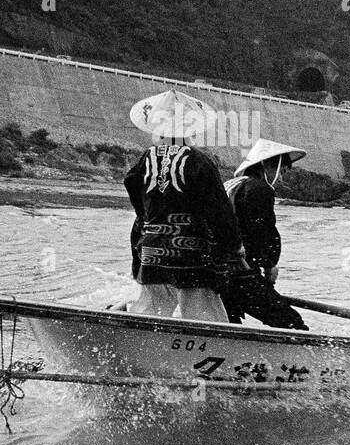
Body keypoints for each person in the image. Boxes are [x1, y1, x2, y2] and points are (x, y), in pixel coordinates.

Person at [122, 90, 246, 321]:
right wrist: (234, 246)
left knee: (151, 310)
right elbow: (219, 211)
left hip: (152, 251)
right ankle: (215, 350)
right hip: (190, 254)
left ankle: (137, 344)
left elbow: (138, 203)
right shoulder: (199, 161)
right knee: (203, 314)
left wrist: (148, 228)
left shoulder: (145, 159)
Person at [220, 138, 308, 330]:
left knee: (230, 325)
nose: (281, 178)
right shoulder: (260, 188)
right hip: (240, 273)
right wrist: (269, 265)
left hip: (219, 271)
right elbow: (259, 231)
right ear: (267, 165)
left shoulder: (233, 184)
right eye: (281, 171)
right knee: (290, 322)